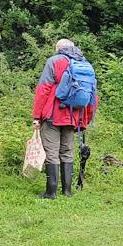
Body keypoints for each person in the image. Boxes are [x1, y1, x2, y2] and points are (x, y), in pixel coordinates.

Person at [32, 39, 97, 199]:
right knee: (67, 151)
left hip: (53, 113)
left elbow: (43, 89)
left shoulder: (54, 61)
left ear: (58, 48)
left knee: (52, 151)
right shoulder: (84, 63)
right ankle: (67, 191)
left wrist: (36, 116)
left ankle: (51, 192)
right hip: (74, 115)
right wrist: (86, 118)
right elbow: (92, 94)